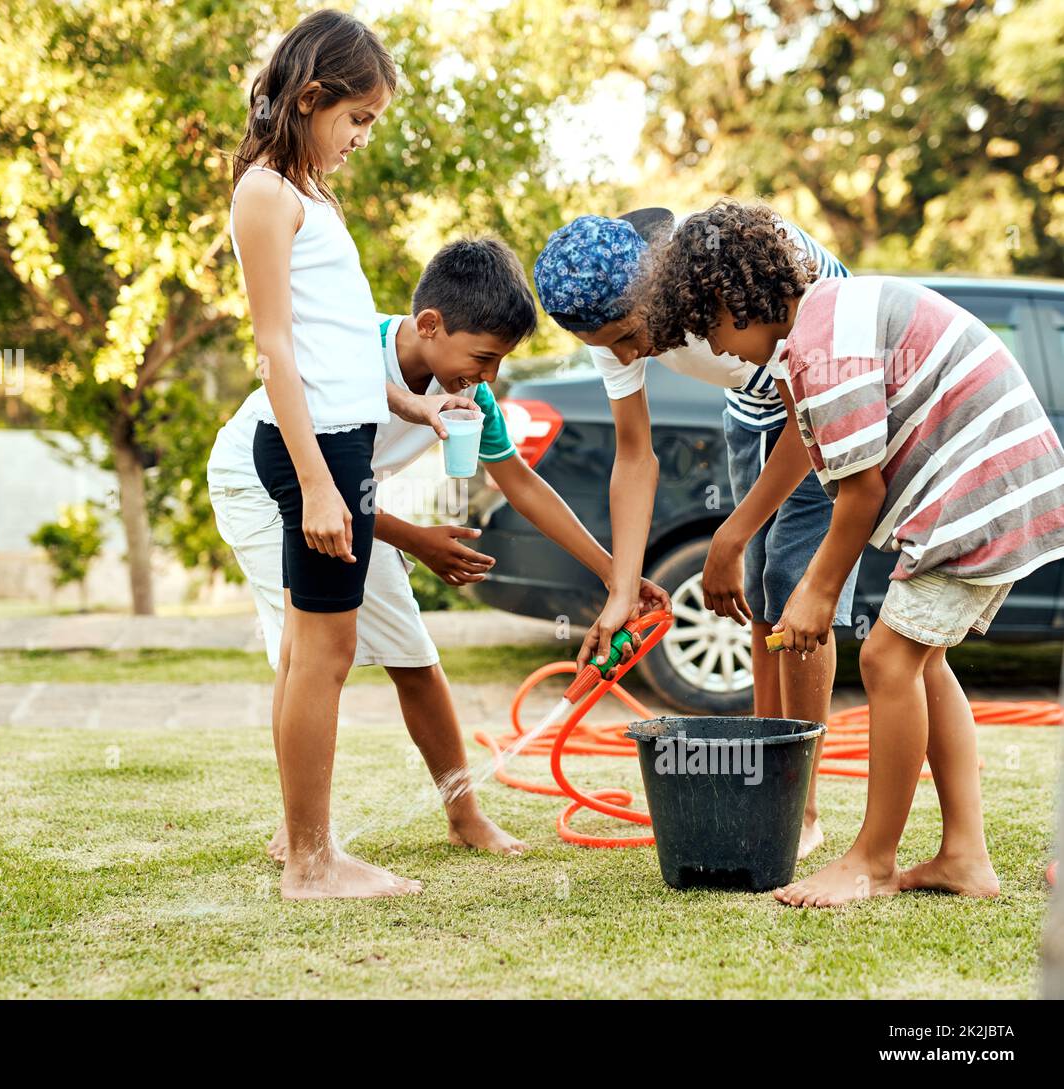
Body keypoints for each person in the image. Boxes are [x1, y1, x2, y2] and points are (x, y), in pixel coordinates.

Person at [639, 199, 1064, 907]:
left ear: (731, 301)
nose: (718, 351)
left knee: (885, 658)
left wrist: (817, 590)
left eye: (710, 330)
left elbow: (860, 492)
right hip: (1002, 483)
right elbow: (818, 454)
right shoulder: (819, 322)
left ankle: (871, 860)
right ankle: (965, 856)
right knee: (923, 663)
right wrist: (747, 538)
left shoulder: (821, 343)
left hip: (981, 490)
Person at [209, 236, 669, 863]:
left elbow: (523, 485)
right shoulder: (350, 349)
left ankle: (465, 816)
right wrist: (417, 541)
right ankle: (300, 835)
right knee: (309, 650)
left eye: (500, 363)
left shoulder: (470, 396)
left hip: (354, 503)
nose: (489, 379)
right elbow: (311, 478)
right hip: (265, 484)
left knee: (415, 658)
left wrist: (620, 578)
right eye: (483, 357)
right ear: (430, 325)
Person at [227, 9, 465, 900]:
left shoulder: (310, 194)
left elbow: (337, 345)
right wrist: (321, 486)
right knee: (324, 656)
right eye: (356, 118)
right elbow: (277, 352)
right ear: (313, 95)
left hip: (341, 439)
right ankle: (310, 861)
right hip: (314, 453)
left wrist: (410, 403)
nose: (362, 138)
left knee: (307, 653)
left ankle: (303, 844)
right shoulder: (267, 194)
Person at [533, 207, 855, 857]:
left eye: (627, 335)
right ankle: (773, 780)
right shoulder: (608, 312)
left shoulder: (733, 269)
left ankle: (802, 805)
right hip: (755, 406)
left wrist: (729, 537)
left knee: (794, 589)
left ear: (655, 287)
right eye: (606, 346)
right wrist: (621, 589)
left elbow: (811, 415)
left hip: (835, 391)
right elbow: (634, 455)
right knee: (761, 602)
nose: (626, 356)